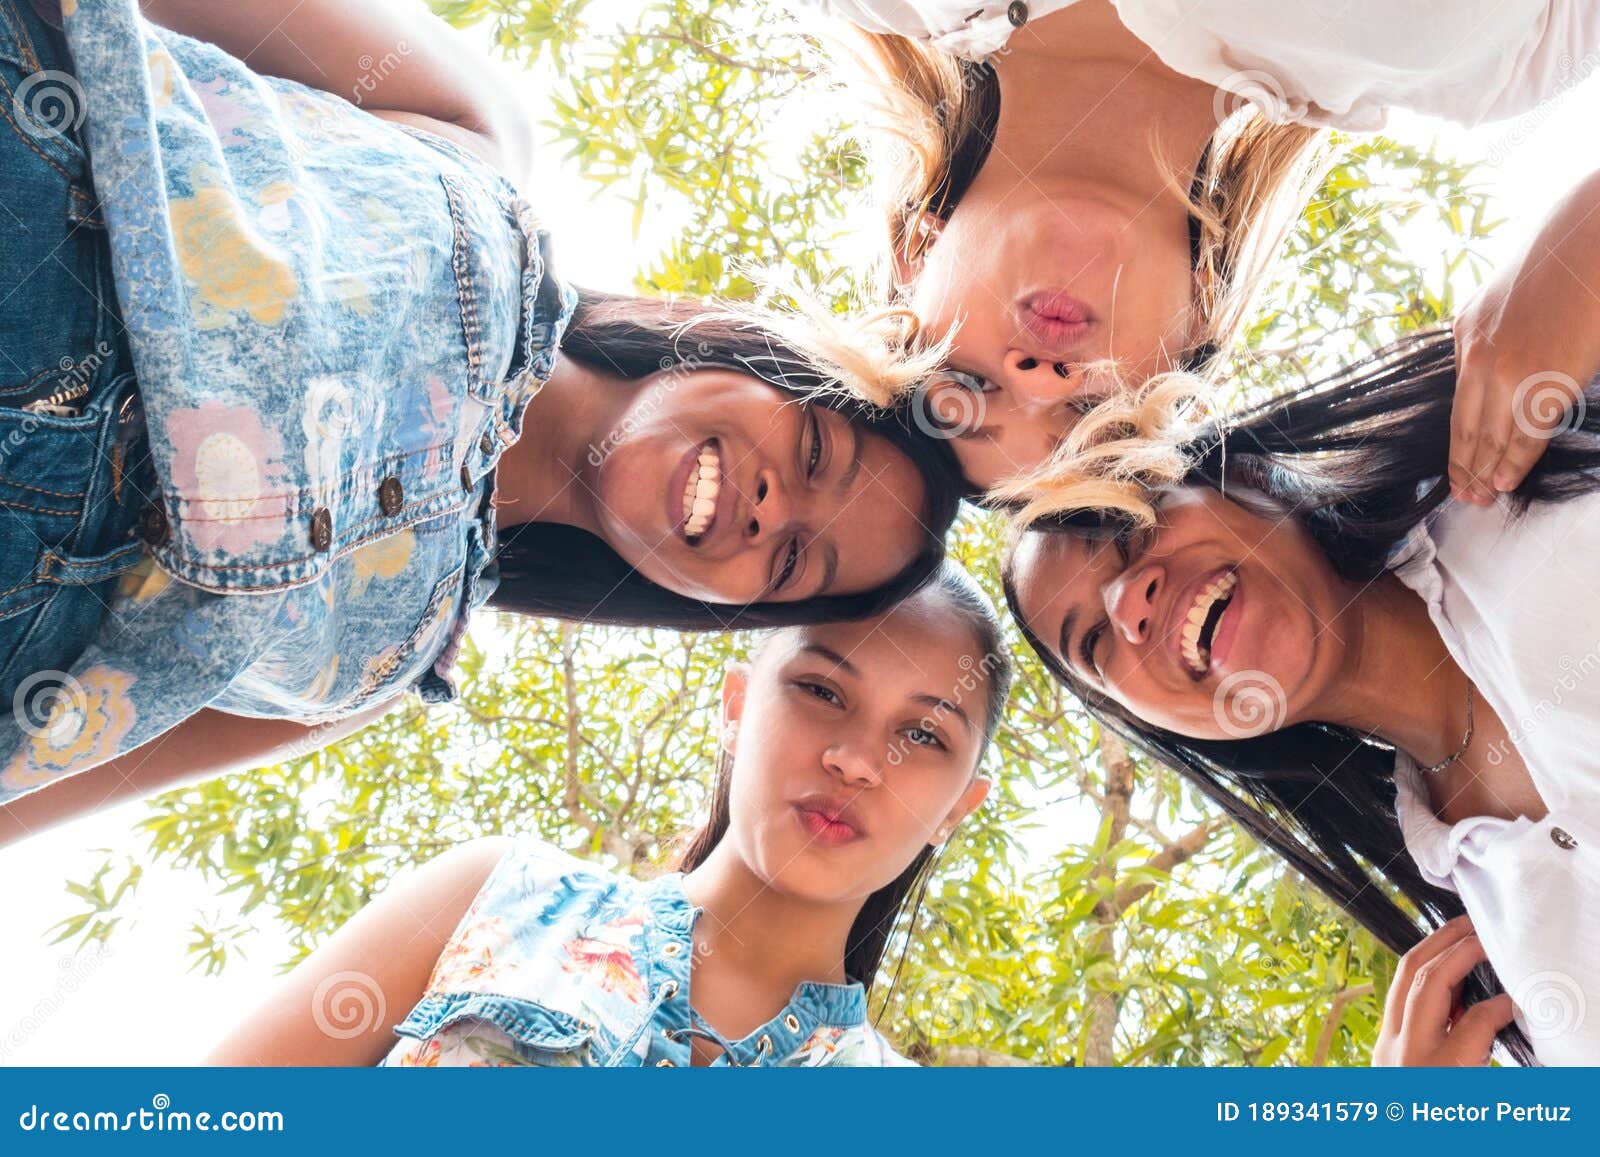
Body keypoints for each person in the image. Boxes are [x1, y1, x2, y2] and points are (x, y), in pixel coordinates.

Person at [0, 0, 964, 827]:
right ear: (759, 361)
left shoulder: (372, 672)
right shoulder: (477, 141)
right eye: (813, 451)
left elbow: (49, 767)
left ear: (721, 608)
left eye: (792, 556)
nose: (768, 507)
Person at [1002, 329, 1600, 1064]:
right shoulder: (1495, 959)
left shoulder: (1536, 448)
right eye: (1094, 642)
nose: (1129, 604)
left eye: (1130, 527)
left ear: (1242, 476)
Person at [208, 564, 1012, 1067]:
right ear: (735, 707)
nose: (858, 759)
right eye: (822, 690)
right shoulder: (498, 896)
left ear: (957, 810)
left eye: (922, 733)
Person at [806, 0, 1600, 494]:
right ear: (1196, 320)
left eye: (968, 381)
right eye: (1089, 411)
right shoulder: (1485, 65)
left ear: (915, 251)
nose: (1042, 381)